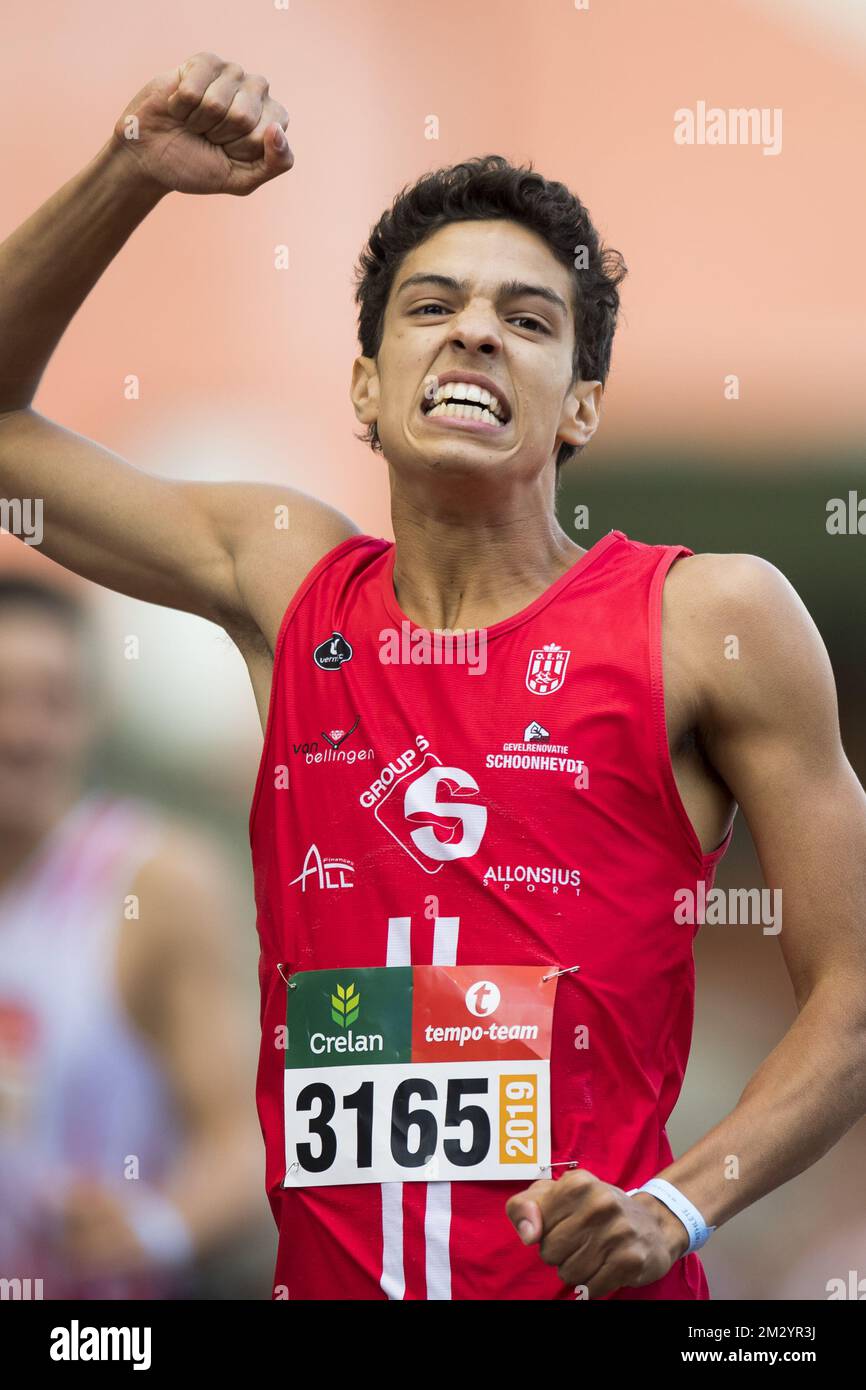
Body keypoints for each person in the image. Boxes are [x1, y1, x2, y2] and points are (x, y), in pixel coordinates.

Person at [1, 50, 864, 1302]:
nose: (472, 330)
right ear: (365, 386)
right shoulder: (283, 575)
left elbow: (849, 996)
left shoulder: (704, 618)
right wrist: (128, 170)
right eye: (430, 306)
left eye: (526, 320)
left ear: (578, 405)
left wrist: (676, 1205)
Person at [0, 574, 265, 1297]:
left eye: (51, 703)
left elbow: (243, 1142)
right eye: (2, 701)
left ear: (92, 717)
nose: (22, 734)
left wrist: (152, 1225)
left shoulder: (156, 884)